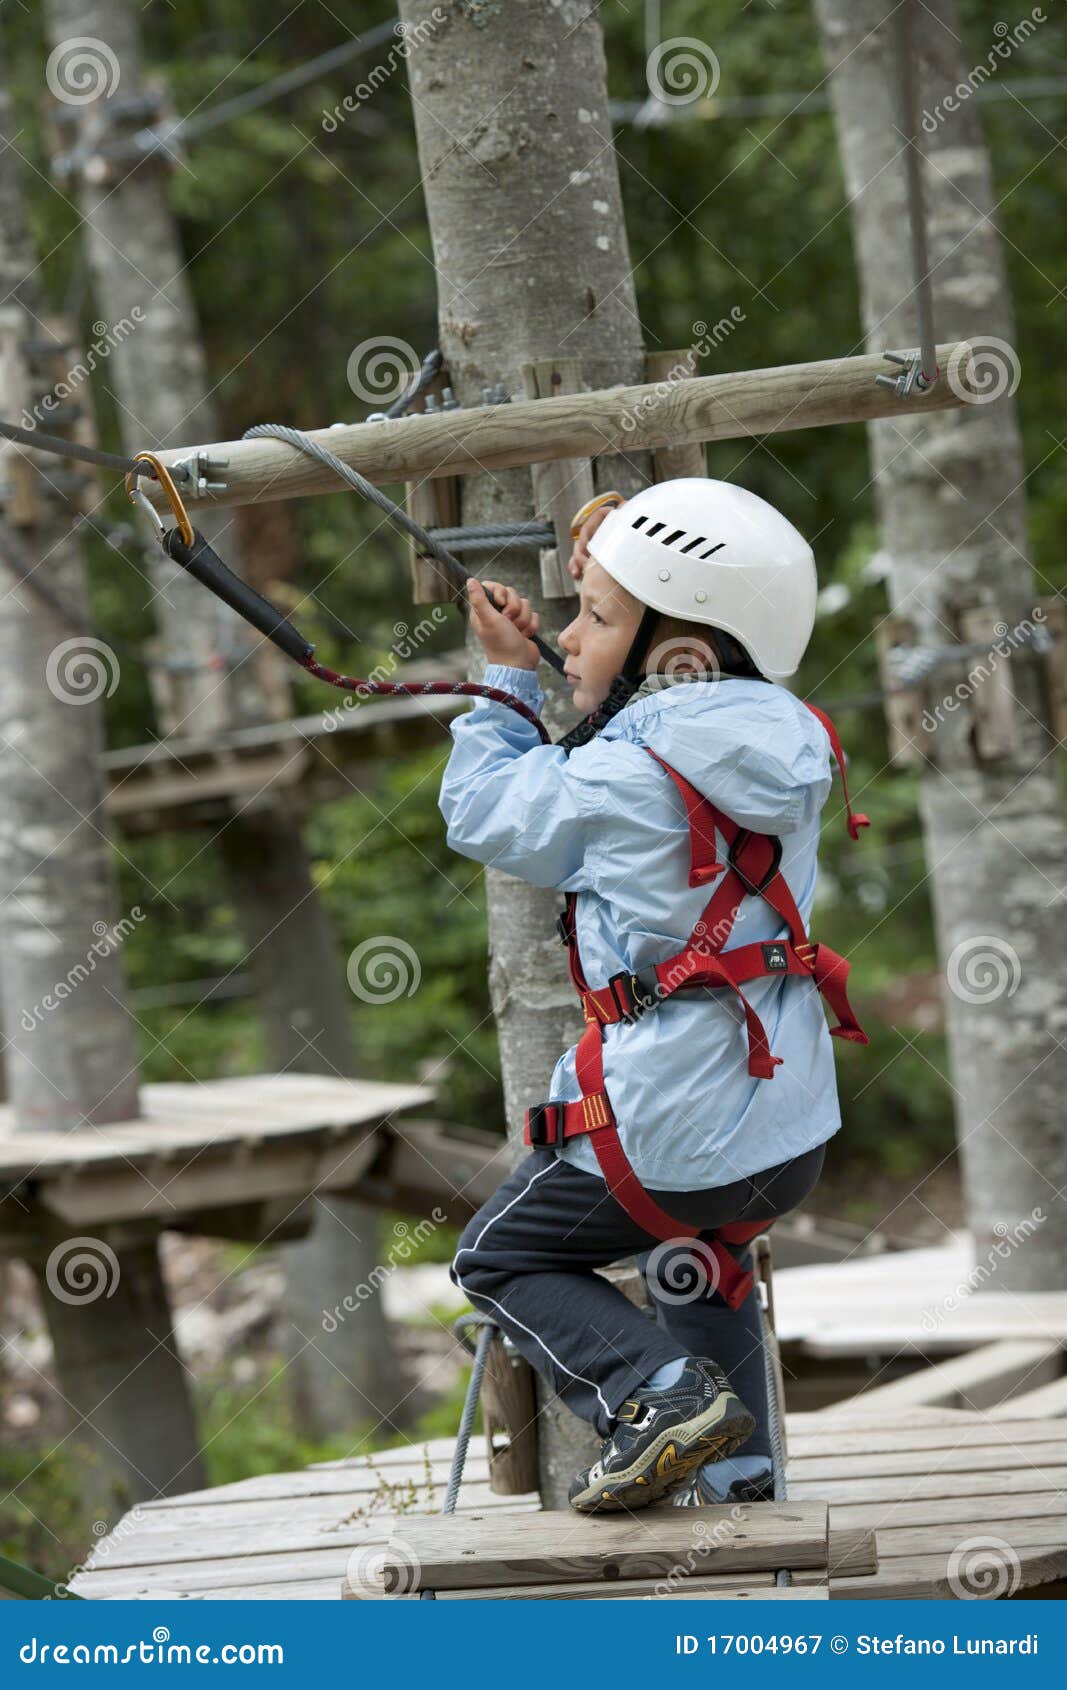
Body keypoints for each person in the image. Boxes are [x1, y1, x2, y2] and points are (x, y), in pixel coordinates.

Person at [437, 477, 866, 1514]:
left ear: (677, 640)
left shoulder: (621, 774)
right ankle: (738, 1470)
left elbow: (483, 808)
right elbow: (666, 720)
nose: (572, 639)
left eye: (595, 618)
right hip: (786, 1134)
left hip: (669, 1136)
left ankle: (654, 1392)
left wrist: (501, 682)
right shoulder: (789, 733)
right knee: (700, 1257)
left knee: (495, 1256)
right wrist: (616, 559)